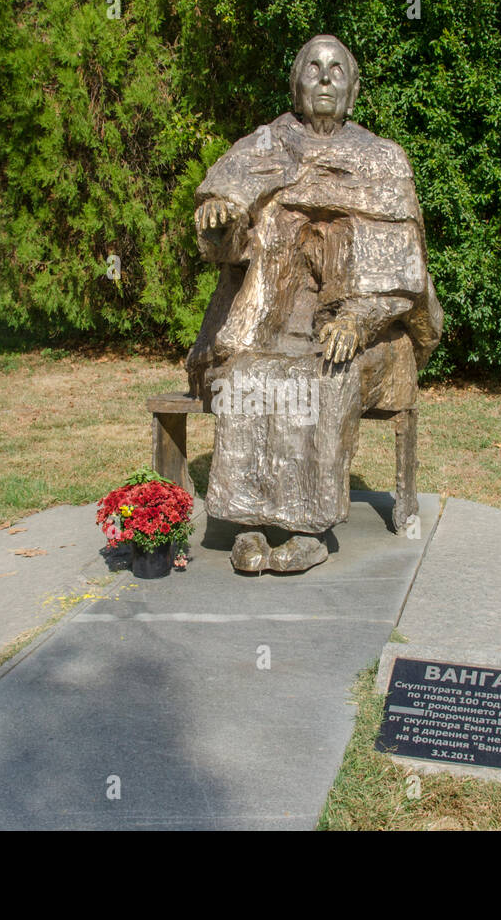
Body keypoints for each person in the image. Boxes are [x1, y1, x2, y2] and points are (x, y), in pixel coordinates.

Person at [188, 35, 442, 573]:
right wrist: (222, 220)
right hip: (272, 323)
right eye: (313, 68)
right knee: (246, 377)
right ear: (295, 87)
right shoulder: (262, 148)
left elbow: (403, 272)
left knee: (325, 378)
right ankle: (250, 521)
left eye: (336, 70)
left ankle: (310, 530)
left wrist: (358, 318)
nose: (325, 78)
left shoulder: (381, 161)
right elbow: (229, 252)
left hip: (364, 326)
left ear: (351, 91)